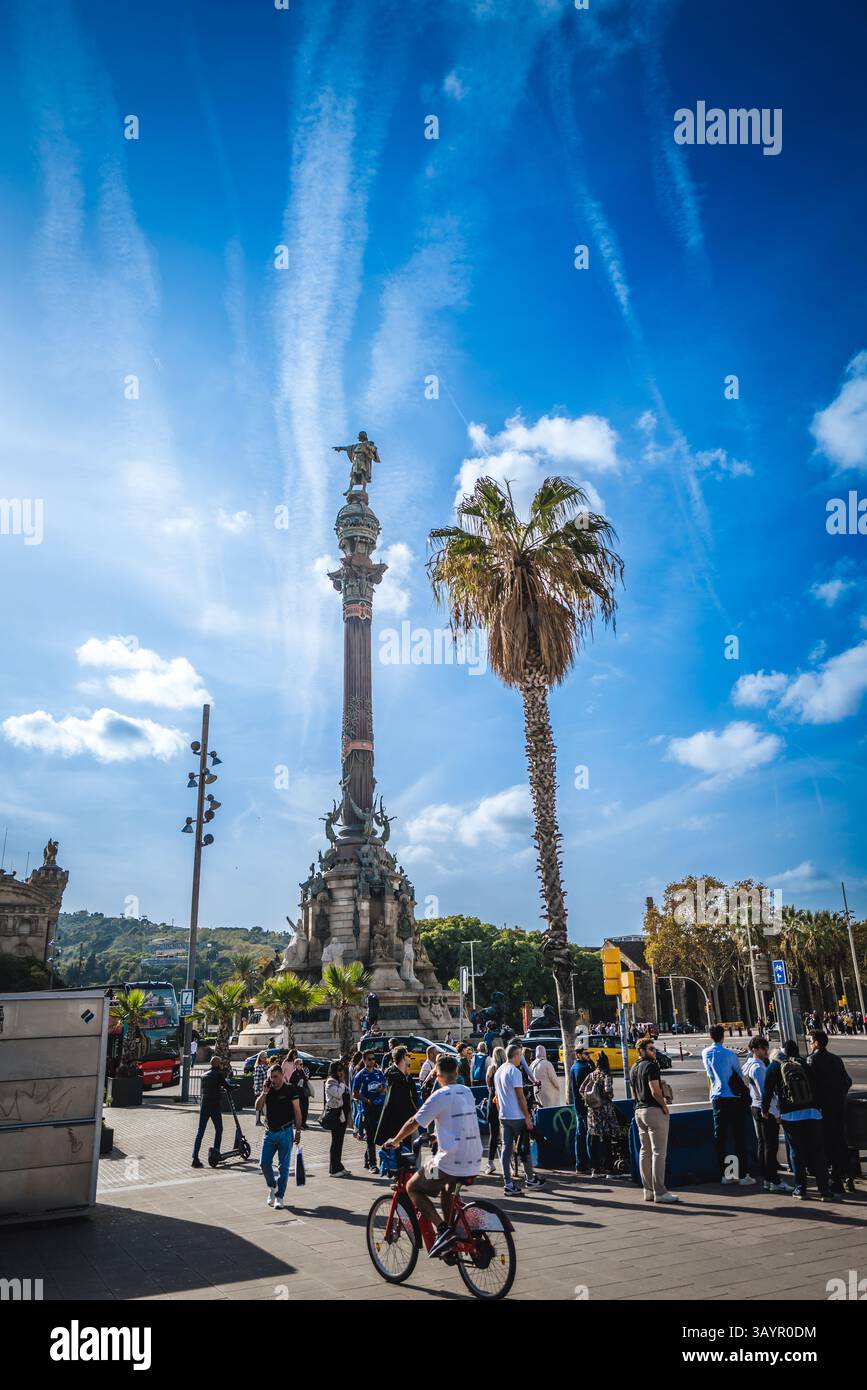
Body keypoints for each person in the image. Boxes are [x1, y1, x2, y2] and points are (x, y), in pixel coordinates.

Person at [384, 1052, 483, 1259]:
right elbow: (457, 1120)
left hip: (448, 1163)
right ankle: (451, 1236)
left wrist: (396, 1140)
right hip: (474, 1159)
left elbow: (414, 1122)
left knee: (412, 1186)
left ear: (437, 1074)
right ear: (457, 1072)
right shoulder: (466, 1091)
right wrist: (439, 1135)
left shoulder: (440, 1095)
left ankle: (442, 1228)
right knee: (448, 1189)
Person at [762, 1039, 831, 1202]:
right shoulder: (804, 1063)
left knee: (796, 1152)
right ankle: (825, 1191)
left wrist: (765, 1110)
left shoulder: (775, 1066)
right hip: (812, 1113)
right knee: (817, 1151)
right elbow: (817, 1086)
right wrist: (818, 1107)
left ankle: (800, 1189)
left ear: (783, 1051)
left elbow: (767, 1090)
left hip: (790, 1115)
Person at [702, 1024, 754, 1186]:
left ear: (710, 1037)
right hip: (732, 1097)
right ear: (723, 1036)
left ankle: (726, 1174)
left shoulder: (705, 1053)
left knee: (721, 1137)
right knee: (738, 1135)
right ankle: (743, 1174)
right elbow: (738, 1075)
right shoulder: (730, 1055)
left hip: (717, 1098)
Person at [630, 1036, 678, 1203]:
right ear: (641, 1051)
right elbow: (655, 1091)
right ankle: (660, 1191)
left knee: (645, 1152)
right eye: (650, 1049)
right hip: (653, 1111)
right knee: (659, 1152)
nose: (654, 1052)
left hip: (639, 1111)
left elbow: (634, 1093)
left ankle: (648, 1190)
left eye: (654, 1048)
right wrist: (664, 1105)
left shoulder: (634, 1067)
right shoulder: (651, 1066)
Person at [807, 1029, 854, 1196]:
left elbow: (810, 1087)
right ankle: (849, 1177)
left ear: (817, 1043)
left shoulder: (812, 1060)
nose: (809, 1044)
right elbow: (847, 1081)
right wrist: (839, 1095)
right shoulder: (836, 1059)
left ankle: (835, 1180)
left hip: (822, 1109)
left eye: (811, 1041)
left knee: (827, 1145)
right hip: (838, 1106)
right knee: (841, 1142)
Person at [494, 1042, 545, 1196]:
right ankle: (530, 1178)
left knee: (506, 1148)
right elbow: (520, 1096)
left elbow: (497, 1096)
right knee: (524, 1148)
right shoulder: (514, 1071)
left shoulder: (499, 1071)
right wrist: (527, 1116)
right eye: (520, 1056)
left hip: (504, 1115)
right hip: (516, 1116)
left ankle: (508, 1183)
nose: (521, 1058)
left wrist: (500, 1113)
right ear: (516, 1056)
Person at [742, 1036, 791, 1193]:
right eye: (763, 1048)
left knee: (763, 1144)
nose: (766, 1051)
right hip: (765, 1109)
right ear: (755, 1050)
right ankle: (774, 1180)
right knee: (771, 1146)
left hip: (756, 1107)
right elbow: (766, 1092)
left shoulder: (749, 1065)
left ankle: (767, 1179)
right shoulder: (758, 1067)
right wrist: (776, 1113)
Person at [255, 1063, 303, 1209]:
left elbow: (297, 1110)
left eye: (276, 1077)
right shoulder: (268, 1090)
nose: (273, 1080)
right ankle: (273, 1186)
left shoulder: (290, 1089)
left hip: (285, 1131)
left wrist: (298, 1130)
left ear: (282, 1075)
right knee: (264, 1163)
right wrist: (264, 1093)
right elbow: (257, 1107)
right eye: (271, 1077)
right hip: (269, 1132)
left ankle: (280, 1196)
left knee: (283, 1167)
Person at [375, 1046, 420, 1172]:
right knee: (402, 1152)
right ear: (402, 1058)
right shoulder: (396, 1079)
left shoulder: (403, 1076)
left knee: (407, 1151)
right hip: (400, 1123)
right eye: (408, 1056)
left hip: (406, 1121)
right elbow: (398, 1105)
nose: (410, 1059)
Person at [579, 1052, 619, 1177]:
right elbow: (608, 1091)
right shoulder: (606, 1075)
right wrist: (609, 1096)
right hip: (604, 1110)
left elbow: (581, 1089)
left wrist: (591, 1099)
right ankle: (609, 1169)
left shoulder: (591, 1075)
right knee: (607, 1139)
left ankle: (595, 1168)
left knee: (593, 1139)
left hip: (592, 1111)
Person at [191, 1057, 232, 1167]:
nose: (222, 1065)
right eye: (221, 1063)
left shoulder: (204, 1075)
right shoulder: (218, 1074)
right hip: (214, 1106)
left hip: (204, 1106)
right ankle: (216, 1153)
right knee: (219, 1129)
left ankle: (195, 1158)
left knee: (200, 1132)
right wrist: (234, 1086)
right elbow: (227, 1086)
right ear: (218, 1064)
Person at [352, 1051, 387, 1171]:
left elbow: (384, 1087)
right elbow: (355, 1094)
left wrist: (382, 1090)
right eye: (369, 1059)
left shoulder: (379, 1072)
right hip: (367, 1109)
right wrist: (366, 1100)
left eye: (373, 1059)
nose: (372, 1061)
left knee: (380, 1136)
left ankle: (367, 1159)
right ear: (364, 1060)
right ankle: (373, 1164)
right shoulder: (360, 1075)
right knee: (371, 1137)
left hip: (379, 1107)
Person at [569, 1045, 594, 1175]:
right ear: (578, 1054)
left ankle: (580, 1164)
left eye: (588, 1053)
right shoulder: (583, 1068)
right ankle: (587, 1163)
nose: (588, 1055)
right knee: (587, 1136)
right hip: (585, 1107)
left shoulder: (574, 1067)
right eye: (585, 1053)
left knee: (580, 1135)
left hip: (579, 1107)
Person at [323, 1060, 350, 1176]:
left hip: (342, 1114)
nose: (341, 1073)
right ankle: (333, 1169)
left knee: (340, 1142)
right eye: (339, 1070)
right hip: (335, 1115)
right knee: (335, 1142)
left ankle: (339, 1165)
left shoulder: (339, 1081)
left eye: (342, 1070)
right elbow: (338, 1093)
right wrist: (343, 1083)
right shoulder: (330, 1082)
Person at [485, 1045, 506, 1174]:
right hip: (505, 1102)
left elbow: (488, 1084)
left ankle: (490, 1162)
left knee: (493, 1134)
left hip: (493, 1101)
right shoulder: (507, 1068)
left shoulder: (491, 1069)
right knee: (508, 1132)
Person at [530, 1044, 560, 1109]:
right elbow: (553, 1078)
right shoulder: (547, 1064)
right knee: (550, 1110)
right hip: (549, 1092)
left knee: (540, 1108)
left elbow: (529, 1077)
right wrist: (557, 1086)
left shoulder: (532, 1064)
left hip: (537, 1091)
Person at [252, 1050, 269, 1128]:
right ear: (260, 1058)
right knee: (261, 1104)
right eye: (264, 1057)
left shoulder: (263, 1066)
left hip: (263, 1088)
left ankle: (261, 1120)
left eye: (266, 1057)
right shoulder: (259, 1067)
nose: (266, 1058)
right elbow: (264, 1077)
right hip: (260, 1089)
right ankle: (259, 1120)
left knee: (262, 1104)